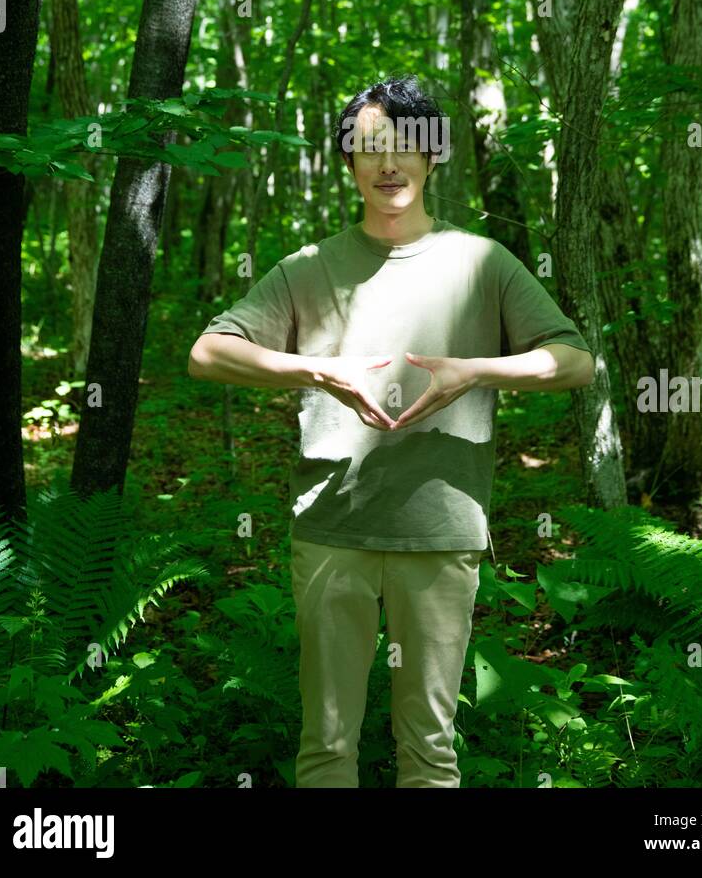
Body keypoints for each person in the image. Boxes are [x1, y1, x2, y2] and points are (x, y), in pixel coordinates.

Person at [188, 74, 594, 788]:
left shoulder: (482, 263)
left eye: (406, 146)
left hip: (439, 531)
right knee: (325, 746)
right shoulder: (308, 268)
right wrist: (319, 372)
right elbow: (209, 352)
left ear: (432, 156)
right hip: (330, 529)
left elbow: (574, 361)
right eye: (370, 148)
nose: (388, 164)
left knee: (431, 751)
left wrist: (476, 370)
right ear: (347, 162)